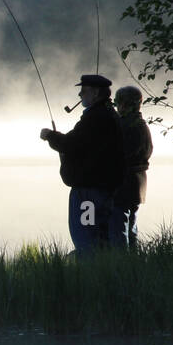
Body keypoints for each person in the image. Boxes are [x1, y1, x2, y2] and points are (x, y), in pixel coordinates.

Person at [40, 74, 124, 256]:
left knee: (87, 236)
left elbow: (71, 144)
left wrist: (49, 136)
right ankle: (101, 270)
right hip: (103, 189)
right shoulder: (109, 115)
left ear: (95, 93)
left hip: (89, 192)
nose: (79, 95)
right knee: (101, 237)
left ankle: (91, 273)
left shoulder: (95, 118)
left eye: (83, 91)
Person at [109, 86, 153, 249]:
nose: (118, 108)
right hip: (138, 185)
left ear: (125, 104)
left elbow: (118, 155)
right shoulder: (141, 125)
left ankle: (121, 263)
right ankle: (133, 260)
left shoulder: (127, 126)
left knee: (118, 229)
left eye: (118, 104)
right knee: (131, 227)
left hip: (124, 184)